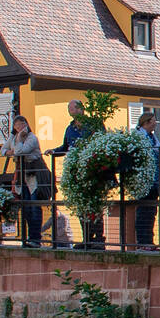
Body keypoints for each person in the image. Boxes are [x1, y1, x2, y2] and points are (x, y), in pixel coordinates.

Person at [52, 98, 103, 249]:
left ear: (81, 109)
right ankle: (87, 238)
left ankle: (99, 239)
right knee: (82, 206)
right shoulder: (70, 128)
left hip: (92, 170)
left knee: (95, 205)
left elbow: (101, 140)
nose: (70, 111)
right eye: (69, 109)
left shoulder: (93, 123)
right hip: (76, 171)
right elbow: (66, 146)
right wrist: (54, 152)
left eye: (72, 108)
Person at [2, 114, 50, 246]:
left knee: (34, 207)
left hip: (34, 175)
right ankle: (30, 237)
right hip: (22, 176)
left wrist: (18, 140)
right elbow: (3, 150)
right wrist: (10, 150)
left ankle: (35, 239)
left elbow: (20, 151)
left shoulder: (32, 138)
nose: (20, 127)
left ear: (26, 125)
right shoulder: (13, 137)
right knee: (26, 208)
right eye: (17, 125)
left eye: (22, 124)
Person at [134, 110, 160, 250]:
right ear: (146, 122)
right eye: (153, 121)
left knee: (151, 212)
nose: (155, 123)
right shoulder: (139, 136)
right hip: (145, 180)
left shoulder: (152, 137)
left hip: (154, 180)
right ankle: (142, 242)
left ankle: (149, 241)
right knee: (143, 212)